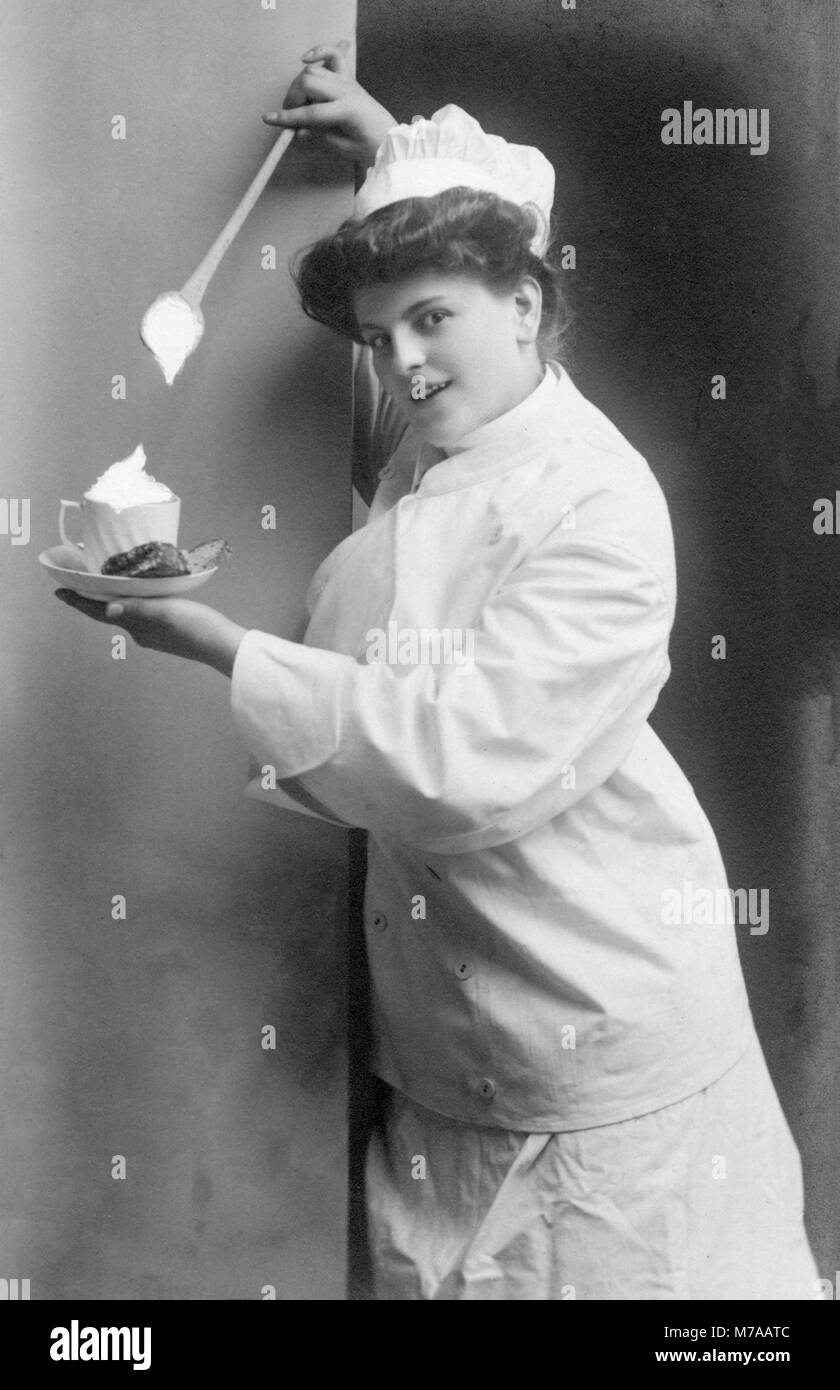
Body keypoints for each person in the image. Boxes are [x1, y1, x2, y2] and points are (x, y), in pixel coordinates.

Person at [57, 41, 820, 1301]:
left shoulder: (601, 505)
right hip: (452, 1064)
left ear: (526, 306)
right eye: (377, 334)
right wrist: (387, 145)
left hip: (602, 1076)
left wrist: (217, 645)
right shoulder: (443, 443)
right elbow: (487, 216)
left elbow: (457, 761)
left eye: (433, 321)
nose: (402, 364)